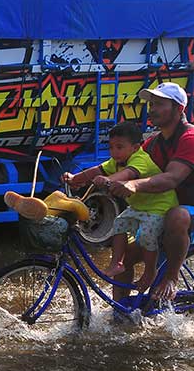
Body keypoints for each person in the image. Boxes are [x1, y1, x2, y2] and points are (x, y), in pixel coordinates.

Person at [105, 82, 194, 302]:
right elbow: (119, 166)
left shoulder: (193, 139)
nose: (152, 109)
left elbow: (171, 179)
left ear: (179, 109)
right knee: (124, 258)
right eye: (151, 104)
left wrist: (135, 185)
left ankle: (171, 277)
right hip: (169, 210)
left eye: (159, 104)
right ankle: (119, 312)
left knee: (176, 215)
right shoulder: (152, 143)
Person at [61, 121, 178, 291]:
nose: (114, 152)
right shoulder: (117, 160)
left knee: (147, 234)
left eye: (119, 147)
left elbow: (128, 174)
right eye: (111, 147)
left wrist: (109, 180)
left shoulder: (140, 159)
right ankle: (117, 263)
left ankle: (150, 272)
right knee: (118, 224)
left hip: (159, 207)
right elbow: (96, 170)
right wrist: (74, 178)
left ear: (135, 147)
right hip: (139, 208)